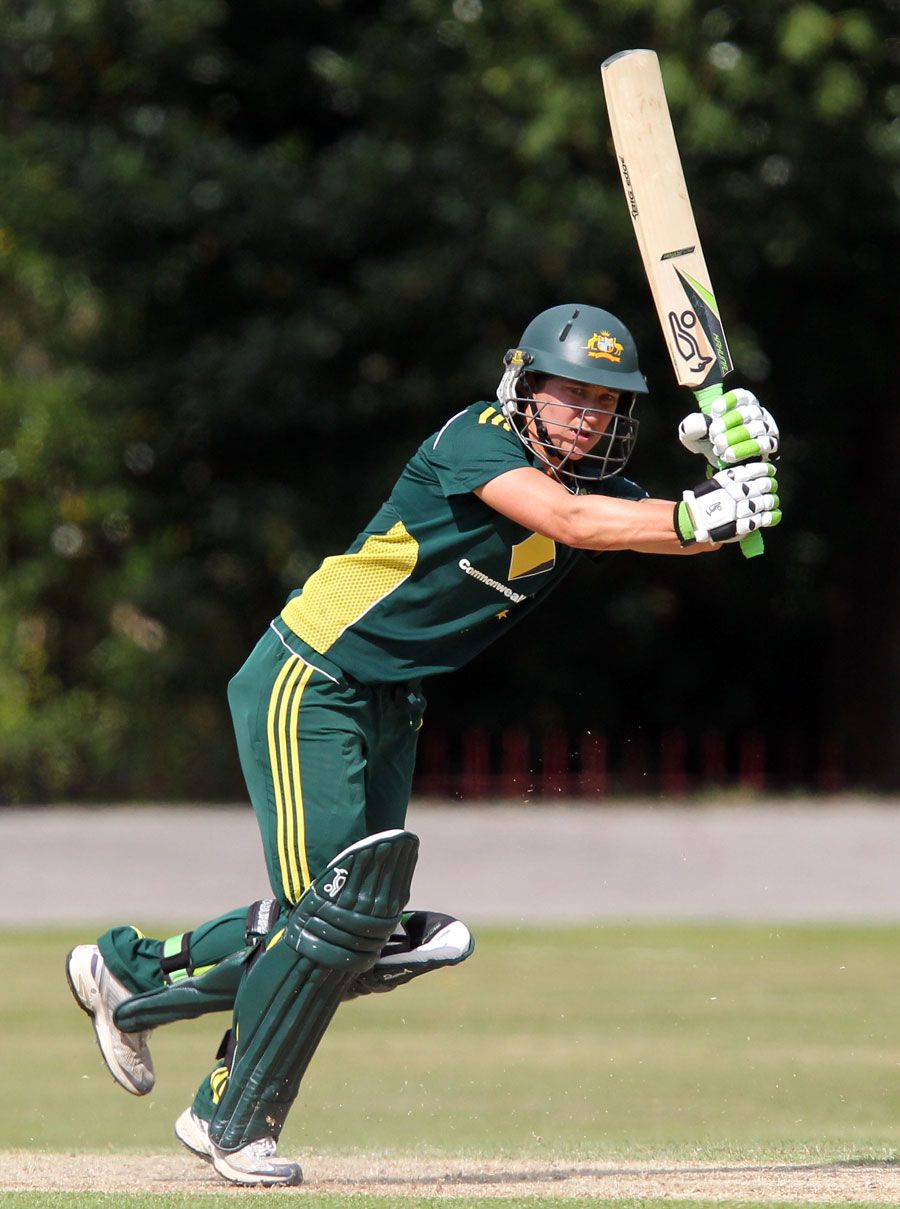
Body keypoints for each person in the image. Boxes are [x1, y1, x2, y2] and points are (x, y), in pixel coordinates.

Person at [65, 303, 780, 1186]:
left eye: (607, 402)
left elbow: (671, 524)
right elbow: (578, 521)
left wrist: (738, 466)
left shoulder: (595, 489)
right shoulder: (476, 441)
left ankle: (132, 973)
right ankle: (228, 1117)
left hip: (391, 702)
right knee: (334, 922)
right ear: (523, 389)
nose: (589, 416)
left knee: (344, 929)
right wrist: (695, 513)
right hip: (311, 675)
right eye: (572, 397)